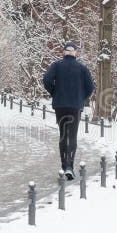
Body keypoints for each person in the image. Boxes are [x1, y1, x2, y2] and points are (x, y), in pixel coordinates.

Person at [42, 41, 95, 180]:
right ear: (75, 53)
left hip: (60, 106)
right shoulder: (82, 68)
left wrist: (54, 92)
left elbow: (46, 80)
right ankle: (70, 167)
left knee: (63, 134)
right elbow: (90, 87)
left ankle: (64, 165)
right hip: (75, 106)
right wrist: (81, 97)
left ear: (63, 52)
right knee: (72, 135)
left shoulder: (56, 66)